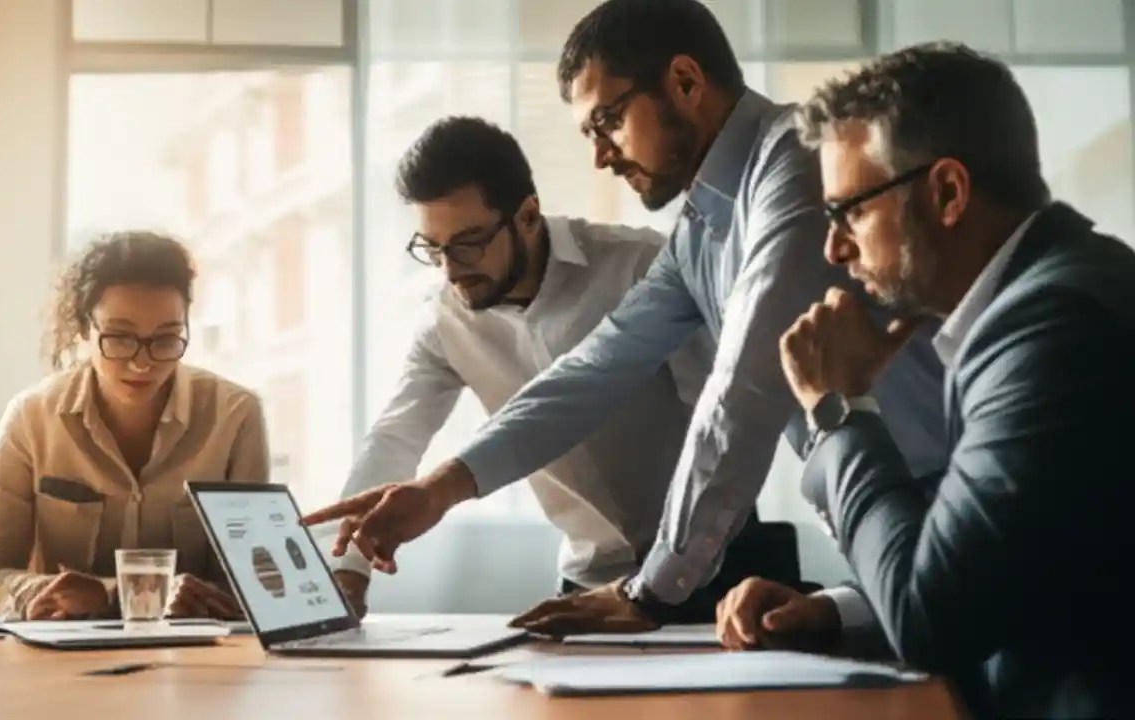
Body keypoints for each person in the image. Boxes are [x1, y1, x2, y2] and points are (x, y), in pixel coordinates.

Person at [306, 0, 945, 636]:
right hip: (887, 525)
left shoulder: (796, 162)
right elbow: (594, 368)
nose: (601, 157)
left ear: (686, 82)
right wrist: (442, 488)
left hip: (947, 496)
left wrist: (650, 589)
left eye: (606, 121)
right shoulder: (699, 230)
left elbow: (741, 392)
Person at [717, 43, 1134, 718]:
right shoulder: (1041, 302)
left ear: (947, 192)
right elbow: (987, 557)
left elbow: (934, 620)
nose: (833, 250)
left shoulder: (1053, 325)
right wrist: (834, 611)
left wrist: (839, 411)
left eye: (848, 211)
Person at [330, 116, 732, 619]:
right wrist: (347, 571)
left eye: (469, 242)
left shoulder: (643, 267)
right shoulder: (444, 322)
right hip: (588, 580)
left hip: (718, 568)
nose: (451, 269)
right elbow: (394, 438)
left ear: (527, 215)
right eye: (433, 248)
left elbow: (721, 416)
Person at [0, 231, 270, 620]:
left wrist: (131, 596)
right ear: (82, 328)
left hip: (196, 655)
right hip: (61, 656)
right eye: (120, 337)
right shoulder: (31, 417)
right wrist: (45, 593)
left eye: (165, 339)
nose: (142, 363)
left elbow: (258, 577)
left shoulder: (236, 416)